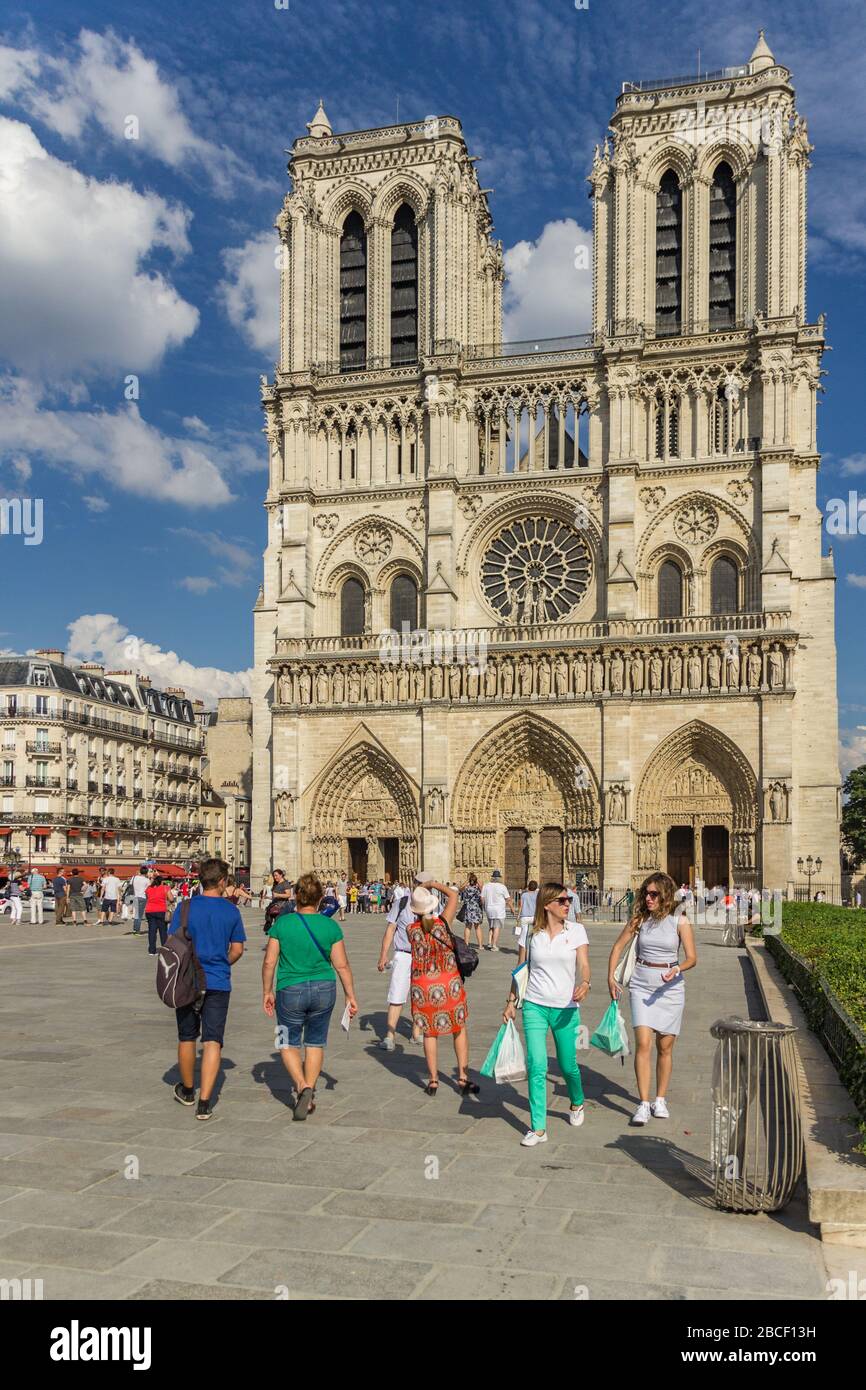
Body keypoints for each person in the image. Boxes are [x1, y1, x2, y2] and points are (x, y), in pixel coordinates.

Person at [262, 870, 358, 1121]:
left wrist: (267, 991)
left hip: (289, 991)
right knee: (315, 1042)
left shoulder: (282, 924)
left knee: (285, 1042)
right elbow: (342, 965)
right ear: (319, 899)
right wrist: (350, 996)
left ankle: (302, 1085)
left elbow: (269, 963)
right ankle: (310, 1091)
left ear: (296, 897)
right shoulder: (330, 925)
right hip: (324, 990)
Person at [504, 881, 591, 1146]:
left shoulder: (576, 931)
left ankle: (576, 1101)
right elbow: (521, 968)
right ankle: (538, 1128)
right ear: (547, 905)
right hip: (534, 1006)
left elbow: (584, 965)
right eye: (563, 901)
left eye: (569, 901)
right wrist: (511, 1001)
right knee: (537, 1065)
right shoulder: (531, 933)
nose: (568, 905)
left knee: (568, 1065)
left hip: (565, 1009)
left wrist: (585, 983)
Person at [607, 872, 697, 1126]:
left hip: (670, 988)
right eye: (646, 893)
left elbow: (692, 957)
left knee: (665, 1047)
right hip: (641, 985)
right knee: (643, 1043)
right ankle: (644, 1103)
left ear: (666, 895)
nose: (648, 898)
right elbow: (617, 948)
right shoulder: (639, 920)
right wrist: (610, 978)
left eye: (654, 894)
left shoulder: (680, 921)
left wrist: (678, 969)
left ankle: (660, 1099)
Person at [168, 856, 246, 1121]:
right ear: (222, 881)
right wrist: (223, 962)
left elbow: (172, 941)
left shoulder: (185, 907)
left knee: (187, 1037)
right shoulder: (231, 911)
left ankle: (188, 1090)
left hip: (187, 980)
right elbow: (237, 950)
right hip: (218, 981)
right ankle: (205, 1103)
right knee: (213, 1040)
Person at [406, 880, 476, 1096]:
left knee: (429, 1032)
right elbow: (454, 896)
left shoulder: (411, 930)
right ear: (433, 906)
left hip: (423, 986)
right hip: (448, 984)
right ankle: (463, 1078)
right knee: (458, 1028)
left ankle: (434, 1081)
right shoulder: (442, 924)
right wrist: (433, 884)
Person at [377, 874, 423, 1051]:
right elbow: (390, 929)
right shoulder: (402, 902)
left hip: (423, 957)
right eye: (419, 884)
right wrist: (383, 955)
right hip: (403, 954)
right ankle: (390, 1035)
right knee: (397, 995)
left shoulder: (434, 905)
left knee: (419, 995)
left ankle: (416, 1032)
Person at [480, 869, 510, 952]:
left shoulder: (486, 886)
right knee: (497, 927)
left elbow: (482, 898)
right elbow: (508, 898)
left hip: (489, 909)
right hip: (499, 910)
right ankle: (494, 945)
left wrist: (484, 906)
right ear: (499, 878)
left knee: (491, 926)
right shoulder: (502, 886)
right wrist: (511, 907)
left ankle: (489, 942)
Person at [145, 876, 172, 955]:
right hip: (161, 911)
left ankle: (152, 950)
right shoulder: (165, 888)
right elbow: (171, 899)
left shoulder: (149, 888)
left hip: (149, 911)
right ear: (161, 882)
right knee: (163, 931)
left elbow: (148, 897)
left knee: (152, 931)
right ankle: (165, 950)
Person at [459, 873, 484, 950]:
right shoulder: (477, 888)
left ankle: (466, 944)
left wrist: (467, 880)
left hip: (468, 908)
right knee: (477, 927)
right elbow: (482, 888)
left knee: (468, 927)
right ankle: (480, 945)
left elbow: (460, 888)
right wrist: (476, 880)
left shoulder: (466, 888)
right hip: (476, 909)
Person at [515, 879, 539, 949]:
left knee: (523, 934)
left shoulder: (524, 895)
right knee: (535, 933)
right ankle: (533, 948)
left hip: (524, 917)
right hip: (534, 916)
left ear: (528, 886)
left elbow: (520, 906)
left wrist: (518, 916)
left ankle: (523, 949)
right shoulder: (538, 895)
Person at [131, 866, 150, 936]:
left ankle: (135, 928)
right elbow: (149, 889)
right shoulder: (147, 880)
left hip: (135, 897)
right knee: (139, 915)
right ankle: (137, 931)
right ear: (146, 872)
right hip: (142, 897)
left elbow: (131, 885)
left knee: (136, 914)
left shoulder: (134, 877)